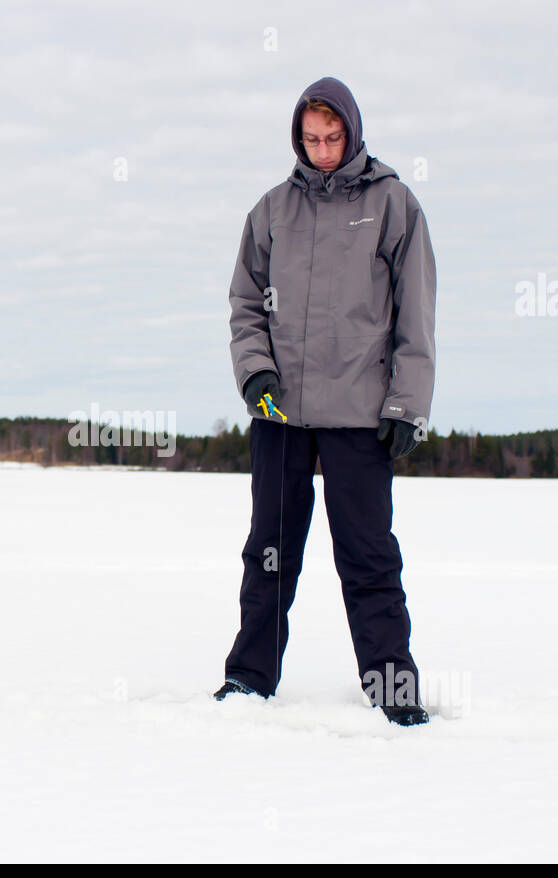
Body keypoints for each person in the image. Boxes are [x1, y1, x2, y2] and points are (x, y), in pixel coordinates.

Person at [216, 76, 436, 726]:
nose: (323, 148)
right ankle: (249, 680)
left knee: (368, 558)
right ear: (298, 136)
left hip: (359, 416)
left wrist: (407, 404)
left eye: (333, 136)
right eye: (311, 138)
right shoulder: (272, 211)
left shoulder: (394, 205)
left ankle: (394, 693)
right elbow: (244, 303)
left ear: (353, 130)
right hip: (281, 416)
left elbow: (415, 316)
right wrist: (255, 375)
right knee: (269, 555)